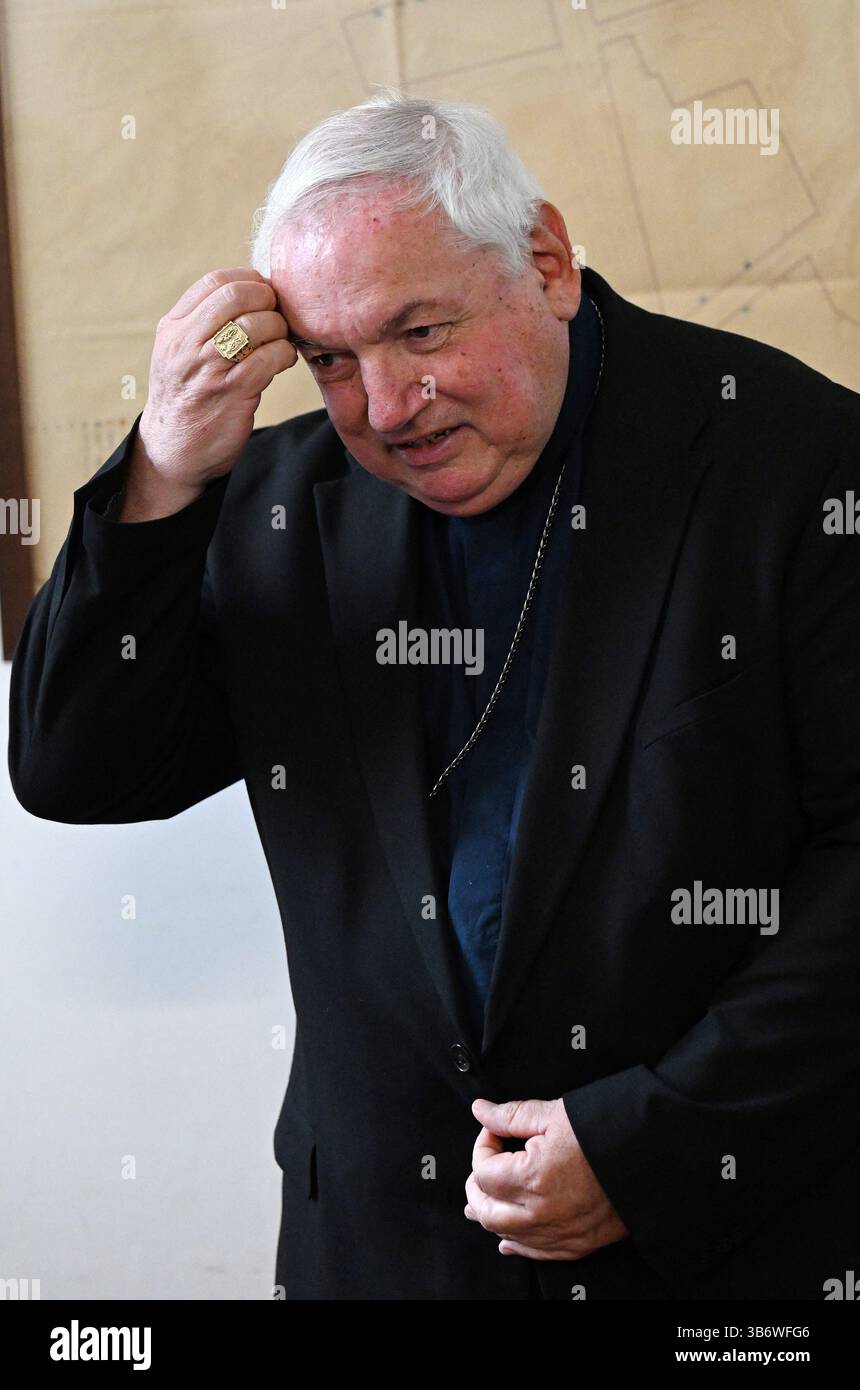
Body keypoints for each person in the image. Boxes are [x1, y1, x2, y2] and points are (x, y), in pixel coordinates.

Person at [9, 89, 860, 1301]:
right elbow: (72, 770)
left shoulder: (795, 462)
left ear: (547, 265)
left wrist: (652, 1139)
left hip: (718, 1238)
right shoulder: (274, 505)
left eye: (420, 332)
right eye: (332, 360)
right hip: (378, 1246)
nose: (386, 407)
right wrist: (158, 474)